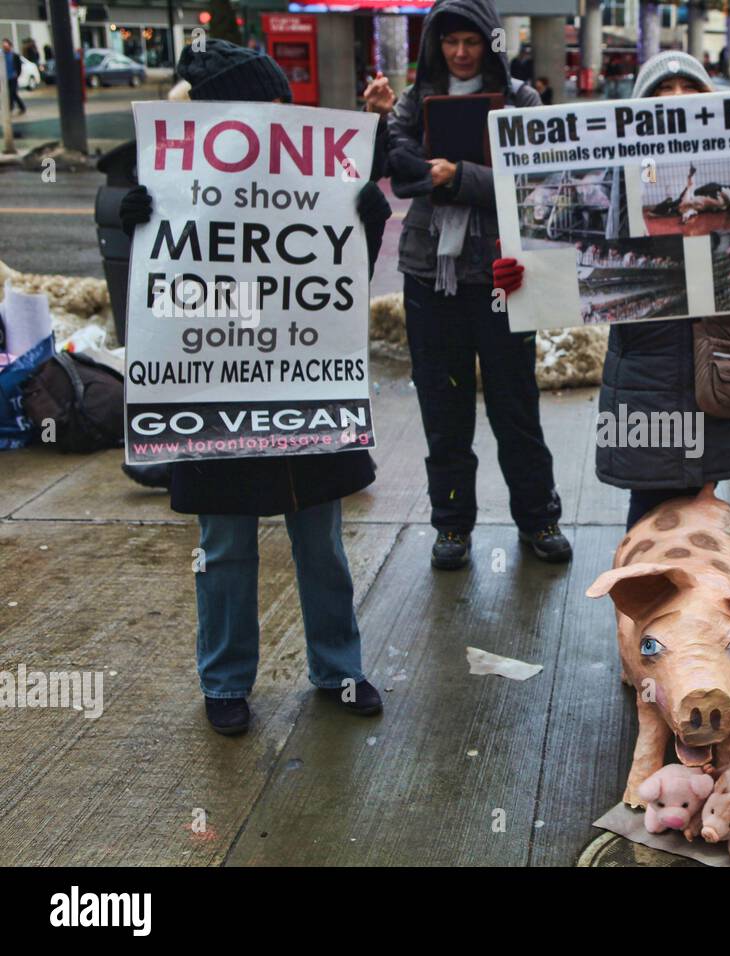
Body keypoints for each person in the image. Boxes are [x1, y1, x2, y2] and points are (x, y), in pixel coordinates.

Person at [117, 39, 394, 735]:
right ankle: (225, 682)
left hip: (300, 391)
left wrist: (364, 216)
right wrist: (138, 222)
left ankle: (339, 669)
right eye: (267, 103)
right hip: (220, 393)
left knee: (321, 542)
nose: (282, 114)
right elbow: (153, 297)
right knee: (225, 547)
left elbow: (337, 291)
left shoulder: (308, 179)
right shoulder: (166, 179)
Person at [494, 51, 730, 529]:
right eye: (663, 93)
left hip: (720, 362)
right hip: (646, 369)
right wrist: (522, 274)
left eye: (690, 92)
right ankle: (645, 602)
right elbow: (574, 262)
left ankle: (697, 602)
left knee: (706, 506)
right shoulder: (616, 177)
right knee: (650, 510)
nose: (676, 102)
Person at [387, 0, 569, 570]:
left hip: (500, 277)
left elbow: (537, 183)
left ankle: (539, 518)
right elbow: (398, 171)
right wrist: (389, 135)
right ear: (434, 45)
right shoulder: (413, 102)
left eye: (472, 41)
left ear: (490, 43)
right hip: (429, 276)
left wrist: (457, 176)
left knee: (516, 408)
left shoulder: (522, 101)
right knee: (444, 411)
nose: (461, 53)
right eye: (450, 42)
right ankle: (451, 527)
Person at [3, 39, 27, 115]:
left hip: (13, 77)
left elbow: (19, 66)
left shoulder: (14, 55)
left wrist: (17, 74)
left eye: (6, 46)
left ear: (10, 46)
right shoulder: (2, 55)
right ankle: (16, 107)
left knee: (12, 92)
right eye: (4, 47)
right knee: (10, 94)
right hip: (5, 78)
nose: (5, 48)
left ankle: (14, 107)